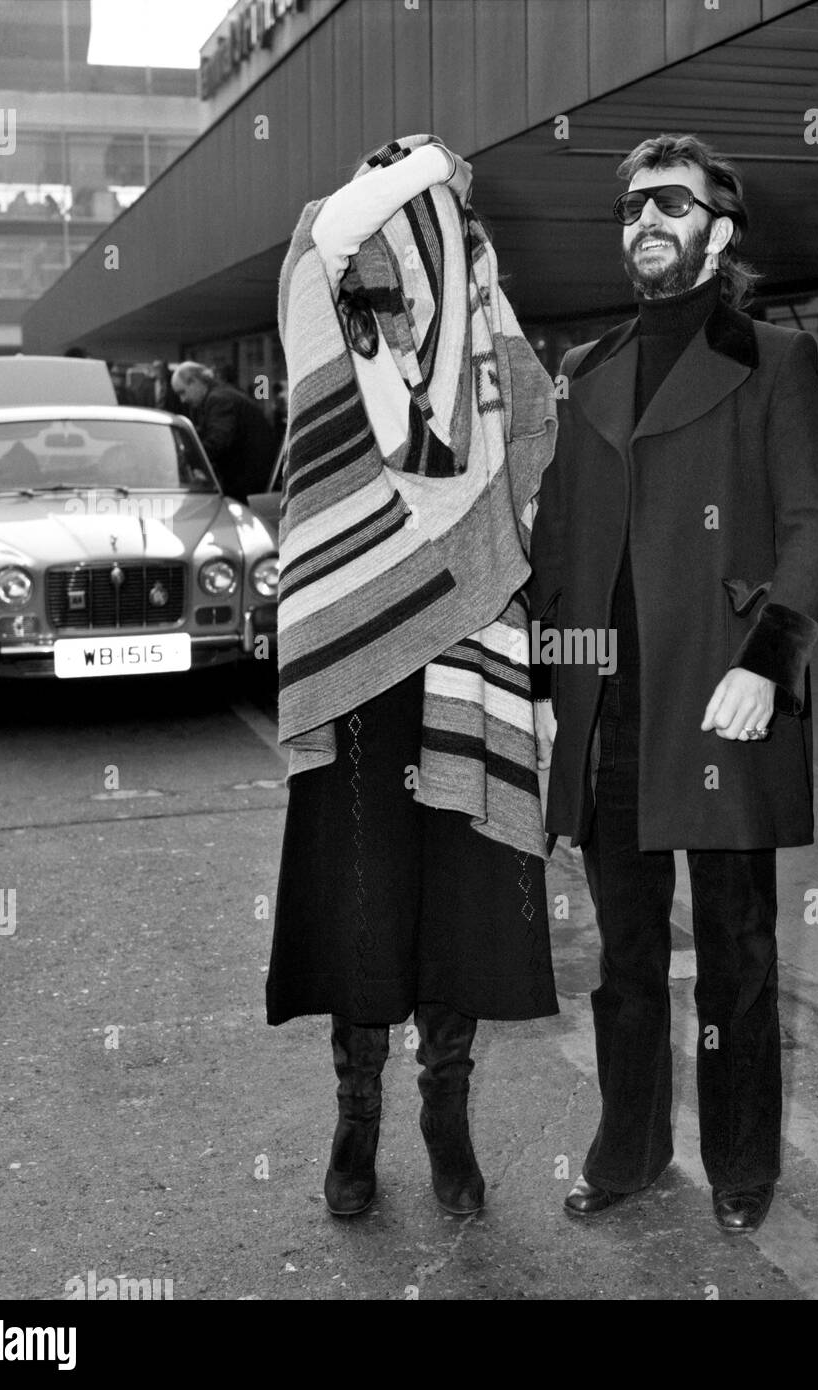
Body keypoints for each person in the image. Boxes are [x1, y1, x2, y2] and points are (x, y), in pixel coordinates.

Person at [528, 134, 818, 1234]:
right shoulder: (587, 369)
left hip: (721, 704)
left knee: (735, 959)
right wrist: (547, 702)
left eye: (670, 201)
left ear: (721, 227)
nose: (644, 220)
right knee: (620, 961)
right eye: (629, 207)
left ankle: (741, 1164)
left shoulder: (773, 359)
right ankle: (628, 1149)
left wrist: (772, 657)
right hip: (612, 715)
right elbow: (562, 557)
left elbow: (810, 525)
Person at [265, 134, 559, 1220]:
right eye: (396, 238)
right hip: (356, 660)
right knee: (359, 897)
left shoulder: (475, 344)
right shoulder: (323, 316)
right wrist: (426, 161)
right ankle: (357, 1117)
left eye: (427, 246)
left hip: (462, 650)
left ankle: (447, 1109)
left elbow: (534, 436)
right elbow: (331, 229)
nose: (407, 260)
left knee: (457, 888)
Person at [170, 361, 276, 504]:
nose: (183, 400)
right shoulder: (222, 394)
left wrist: (190, 460)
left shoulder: (219, 400)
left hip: (246, 483)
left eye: (182, 392)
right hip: (250, 477)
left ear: (194, 382)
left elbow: (218, 442)